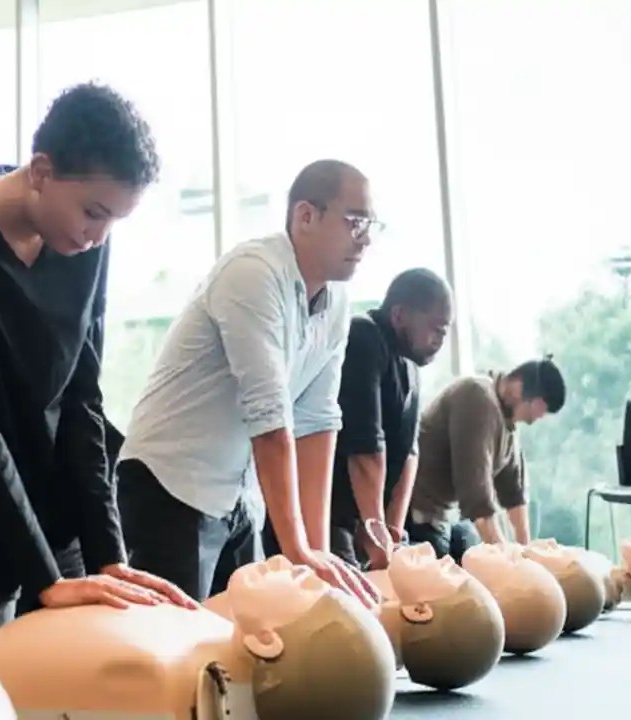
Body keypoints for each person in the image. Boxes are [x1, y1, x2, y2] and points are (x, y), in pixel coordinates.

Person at [0, 82, 196, 652]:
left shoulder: (86, 245)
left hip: (60, 522)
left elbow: (82, 399)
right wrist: (48, 581)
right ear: (40, 171)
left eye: (114, 220)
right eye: (93, 213)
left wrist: (108, 557)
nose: (98, 237)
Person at [115, 159, 382, 607]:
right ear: (305, 216)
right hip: (173, 487)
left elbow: (315, 421)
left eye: (371, 225)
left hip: (239, 500)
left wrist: (314, 555)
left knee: (246, 650)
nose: (366, 238)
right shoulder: (253, 273)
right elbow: (269, 415)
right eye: (355, 222)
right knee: (179, 654)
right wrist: (295, 546)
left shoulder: (336, 301)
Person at [328, 269, 454, 571]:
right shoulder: (363, 337)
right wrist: (376, 528)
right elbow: (365, 449)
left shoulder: (410, 366)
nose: (440, 340)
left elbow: (410, 452)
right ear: (399, 315)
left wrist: (393, 532)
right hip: (327, 514)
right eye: (436, 329)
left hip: (365, 518)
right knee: (353, 608)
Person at [407, 357, 566, 562]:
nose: (537, 418)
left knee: (472, 548)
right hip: (416, 515)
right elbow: (476, 494)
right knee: (469, 570)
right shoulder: (477, 396)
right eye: (539, 407)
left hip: (443, 518)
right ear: (519, 387)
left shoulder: (507, 420)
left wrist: (527, 554)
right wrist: (509, 564)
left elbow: (514, 493)